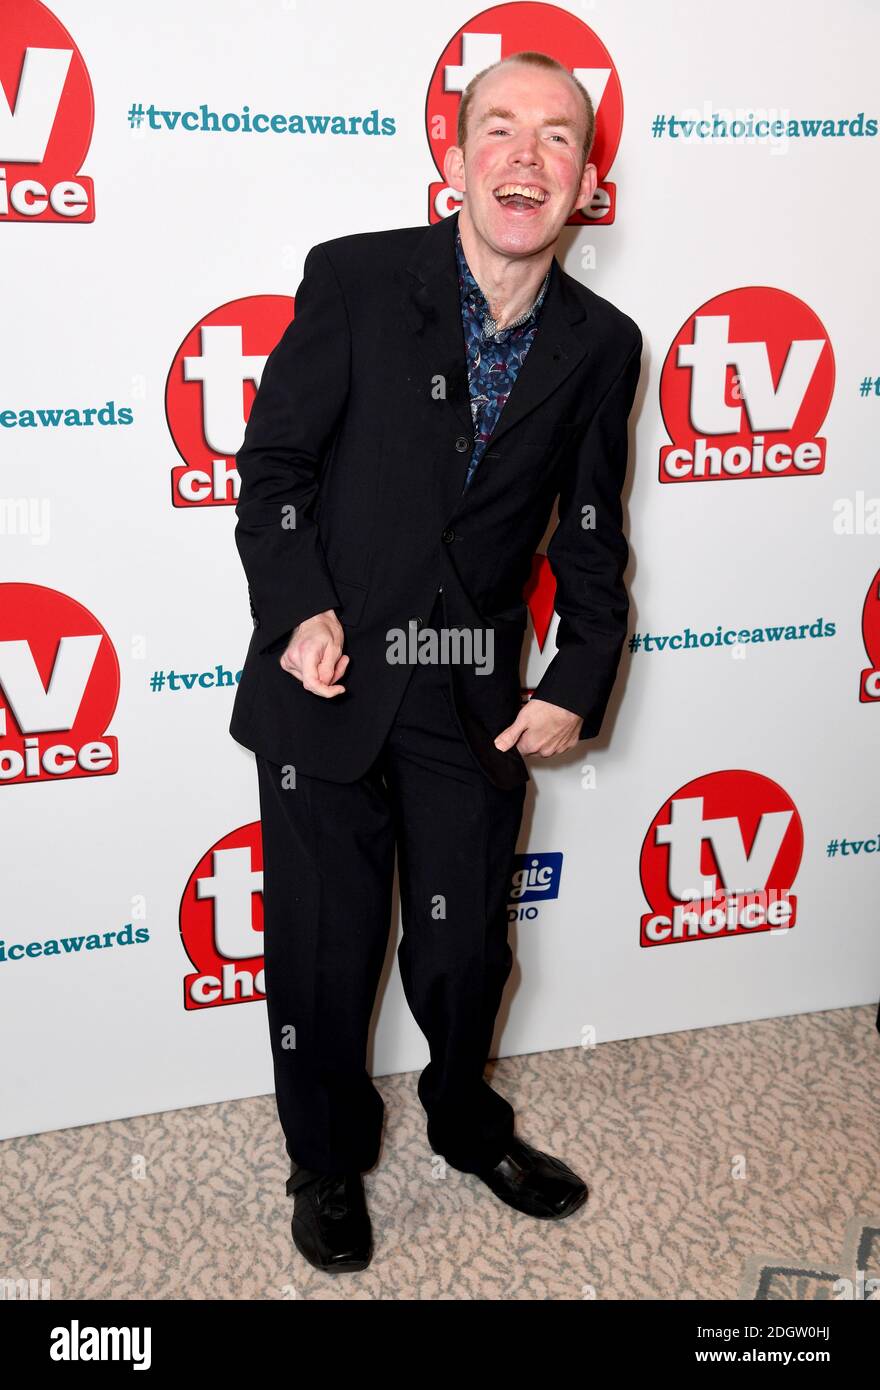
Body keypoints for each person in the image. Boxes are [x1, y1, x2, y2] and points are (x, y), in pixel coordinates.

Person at [230, 50, 643, 1273]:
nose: (526, 156)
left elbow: (590, 530)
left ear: (582, 181)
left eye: (556, 137)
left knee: (465, 949)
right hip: (330, 677)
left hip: (468, 687)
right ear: (452, 161)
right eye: (500, 130)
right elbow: (275, 474)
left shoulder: (604, 341)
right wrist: (298, 611)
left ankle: (466, 1124)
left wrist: (577, 675)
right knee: (323, 945)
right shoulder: (356, 281)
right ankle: (328, 1158)